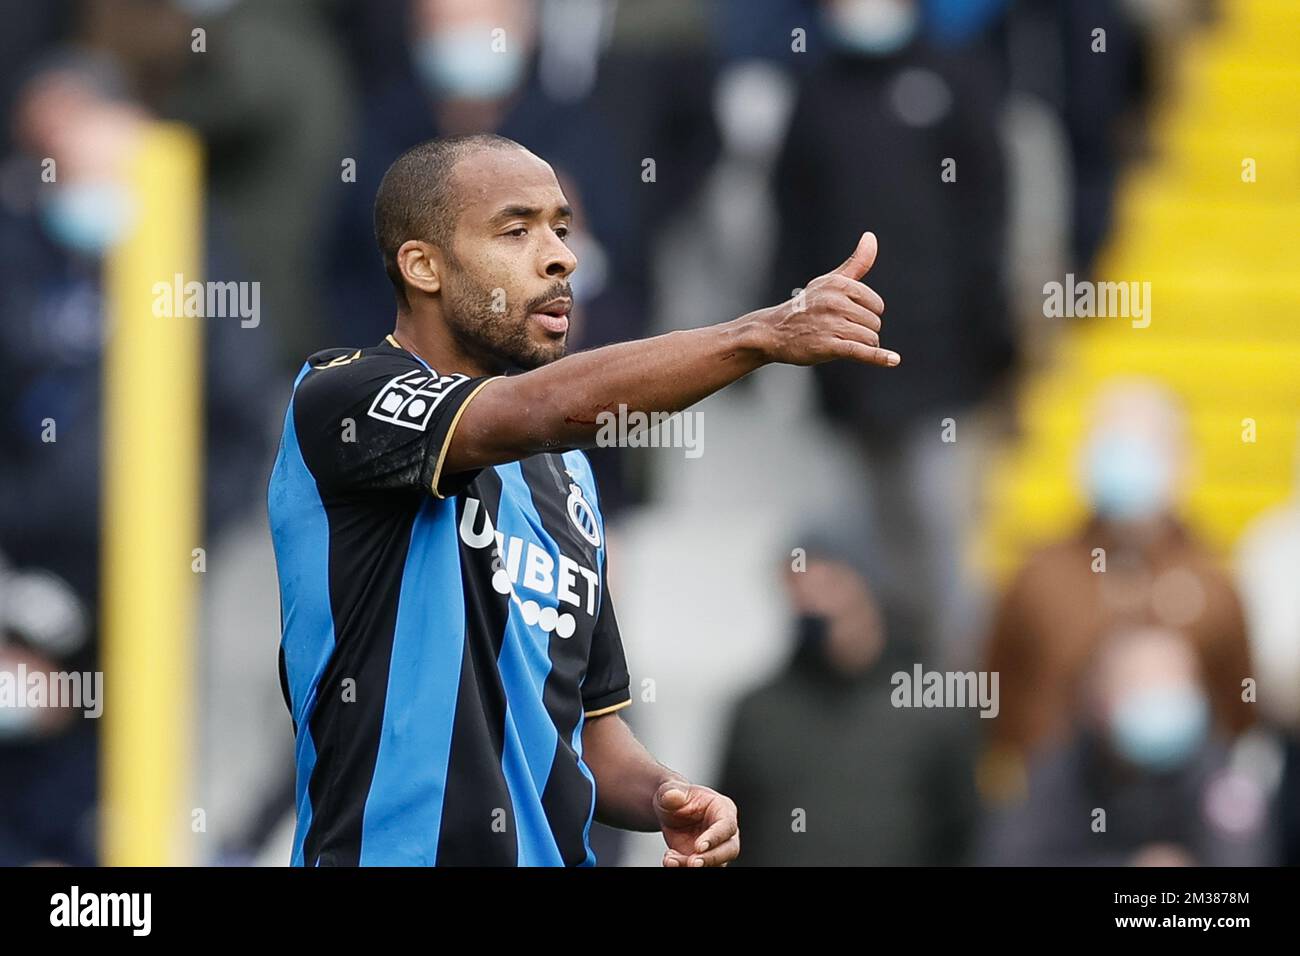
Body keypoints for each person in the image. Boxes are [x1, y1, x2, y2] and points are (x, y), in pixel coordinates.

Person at [267, 132, 899, 866]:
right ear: (423, 266)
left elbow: (589, 730)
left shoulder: (566, 474)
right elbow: (533, 409)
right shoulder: (344, 397)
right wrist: (759, 333)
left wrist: (666, 792)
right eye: (516, 230)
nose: (561, 256)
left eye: (561, 228)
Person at [717, 531, 979, 865]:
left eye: (829, 582)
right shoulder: (757, 713)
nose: (815, 602)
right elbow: (729, 831)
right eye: (799, 588)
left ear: (865, 583)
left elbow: (967, 833)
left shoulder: (932, 706)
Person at [980, 626, 1271, 866]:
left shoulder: (1219, 774)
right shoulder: (1058, 771)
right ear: (1098, 699)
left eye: (1175, 684)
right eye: (1143, 685)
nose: (1161, 701)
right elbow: (1007, 856)